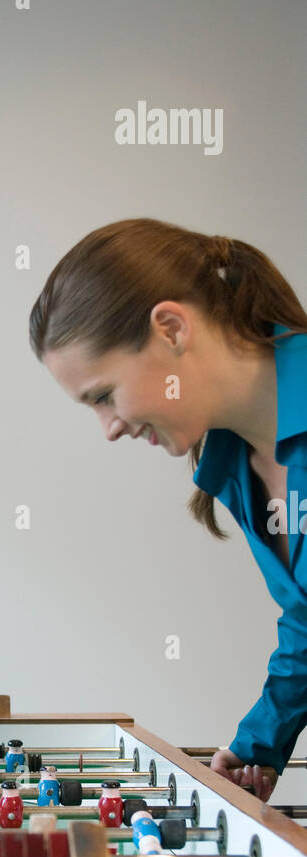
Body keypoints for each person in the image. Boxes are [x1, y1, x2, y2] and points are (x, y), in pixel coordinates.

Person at [30, 218, 307, 803]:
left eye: (103, 395)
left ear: (171, 329)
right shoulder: (233, 462)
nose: (108, 428)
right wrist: (258, 747)